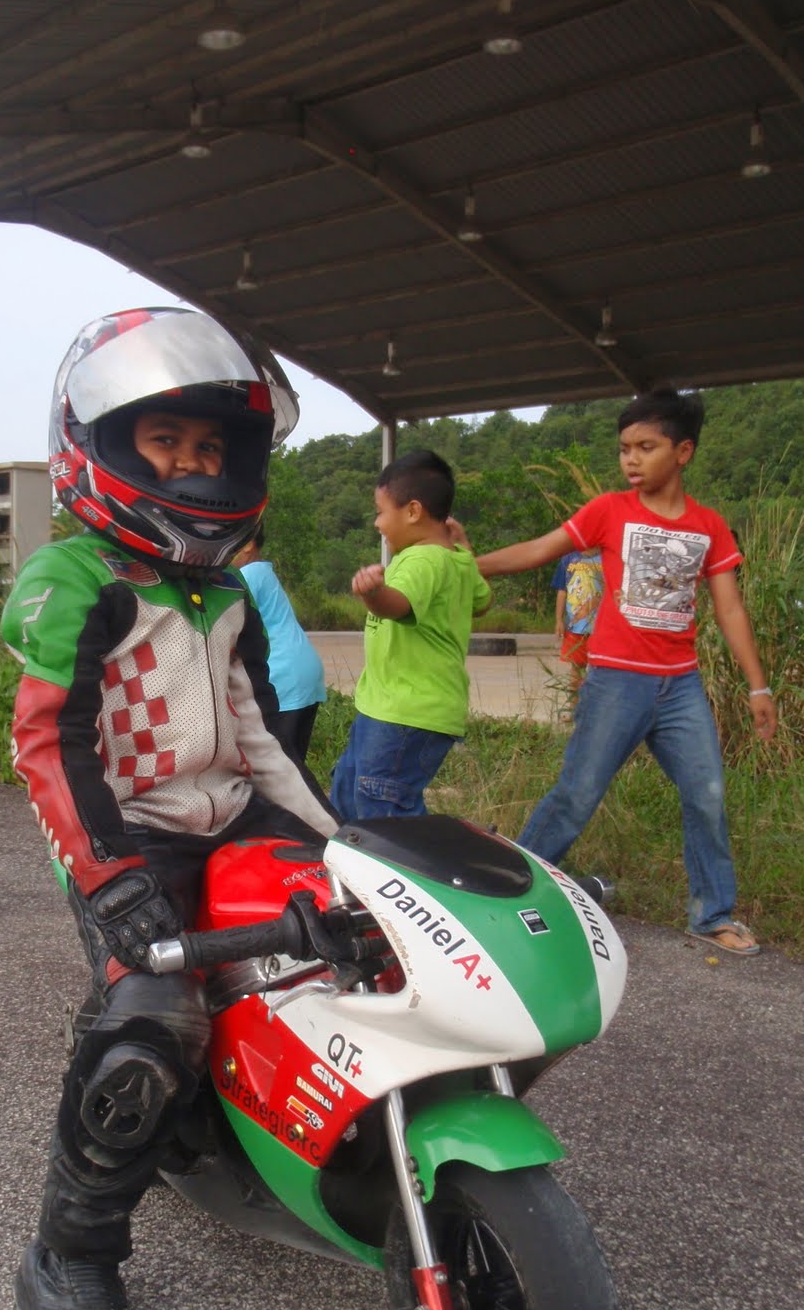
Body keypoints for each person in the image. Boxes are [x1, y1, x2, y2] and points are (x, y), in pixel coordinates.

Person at [0, 307, 337, 1310]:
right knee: (145, 1021)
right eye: (163, 443)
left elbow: (250, 732)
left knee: (339, 942)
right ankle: (72, 1253)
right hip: (127, 837)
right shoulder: (76, 578)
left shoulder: (225, 586)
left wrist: (342, 841)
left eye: (207, 446)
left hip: (230, 812)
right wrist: (107, 883)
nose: (192, 464)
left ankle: (271, 1137)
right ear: (96, 446)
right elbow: (50, 743)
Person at [471, 387, 776, 955]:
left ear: (683, 452)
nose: (631, 460)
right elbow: (542, 549)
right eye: (624, 449)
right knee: (578, 794)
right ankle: (502, 892)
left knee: (707, 794)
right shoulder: (609, 511)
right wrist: (466, 562)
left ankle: (712, 915)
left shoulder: (710, 525)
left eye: (646, 447)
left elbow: (730, 607)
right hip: (616, 679)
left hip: (681, 686)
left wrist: (758, 685)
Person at [330, 449, 491, 820]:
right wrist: (465, 549)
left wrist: (373, 593)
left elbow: (398, 605)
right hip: (388, 707)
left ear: (414, 511)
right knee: (352, 791)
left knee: (381, 806)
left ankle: (413, 872)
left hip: (404, 712)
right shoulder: (453, 558)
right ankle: (351, 868)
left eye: (381, 511)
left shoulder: (424, 559)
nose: (377, 523)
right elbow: (481, 601)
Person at [231, 522, 326, 762]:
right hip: (301, 675)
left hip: (283, 677)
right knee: (294, 763)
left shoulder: (247, 576)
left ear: (249, 545)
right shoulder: (263, 572)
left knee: (278, 767)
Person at [551, 547, 603, 701]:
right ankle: (574, 707)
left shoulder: (606, 557)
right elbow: (562, 591)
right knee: (576, 669)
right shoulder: (568, 558)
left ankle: (594, 709)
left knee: (599, 670)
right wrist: (559, 620)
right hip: (575, 628)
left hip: (600, 628)